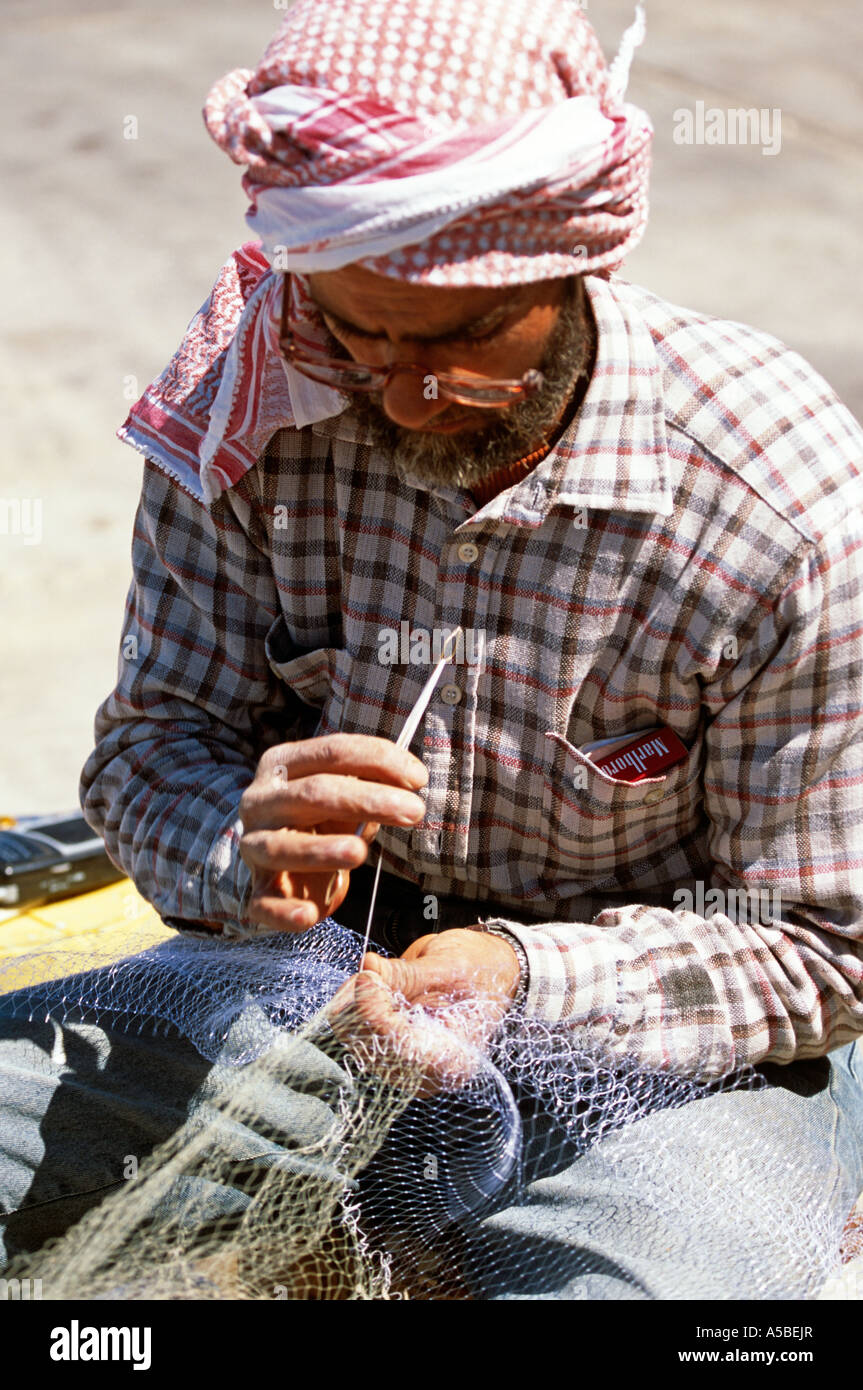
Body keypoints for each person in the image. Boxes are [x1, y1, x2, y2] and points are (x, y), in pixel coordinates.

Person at [1, 0, 862, 1299]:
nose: (401, 392)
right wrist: (242, 840)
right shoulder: (260, 396)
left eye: (462, 342)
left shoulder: (773, 498)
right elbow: (147, 754)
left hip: (657, 1048)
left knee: (669, 1291)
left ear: (574, 264)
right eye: (362, 334)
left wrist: (516, 970)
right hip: (307, 988)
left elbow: (821, 942)